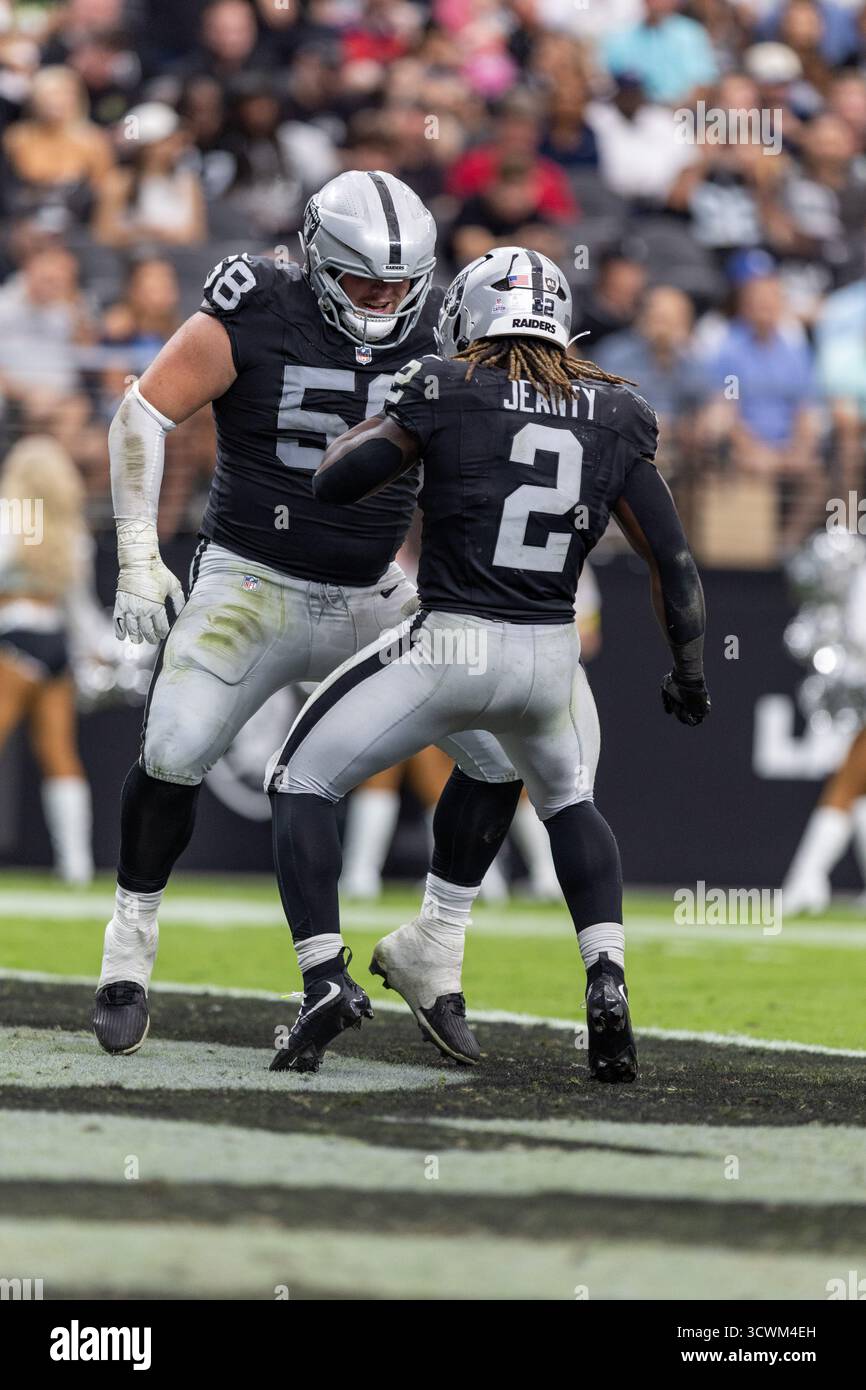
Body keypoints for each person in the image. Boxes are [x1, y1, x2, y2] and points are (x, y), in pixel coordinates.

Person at [92, 171, 520, 1057]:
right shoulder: (256, 303)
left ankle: (436, 946)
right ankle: (129, 943)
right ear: (321, 262)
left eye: (401, 284)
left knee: (500, 748)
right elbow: (141, 417)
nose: (384, 300)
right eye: (364, 280)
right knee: (172, 750)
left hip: (374, 589)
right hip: (250, 580)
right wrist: (138, 555)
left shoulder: (445, 323)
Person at [266, 246, 710, 1081]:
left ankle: (324, 977)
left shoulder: (444, 384)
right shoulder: (617, 409)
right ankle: (605, 976)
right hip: (553, 654)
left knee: (299, 778)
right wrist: (689, 673)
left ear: (470, 314)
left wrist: (392, 421)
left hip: (452, 642)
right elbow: (674, 564)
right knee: (570, 802)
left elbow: (338, 482)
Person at [0, 436, 104, 884]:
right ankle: (76, 866)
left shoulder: (13, 519)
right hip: (56, 647)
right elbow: (80, 611)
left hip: (15, 640)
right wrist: (105, 651)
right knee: (60, 756)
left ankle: (76, 865)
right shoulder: (70, 531)